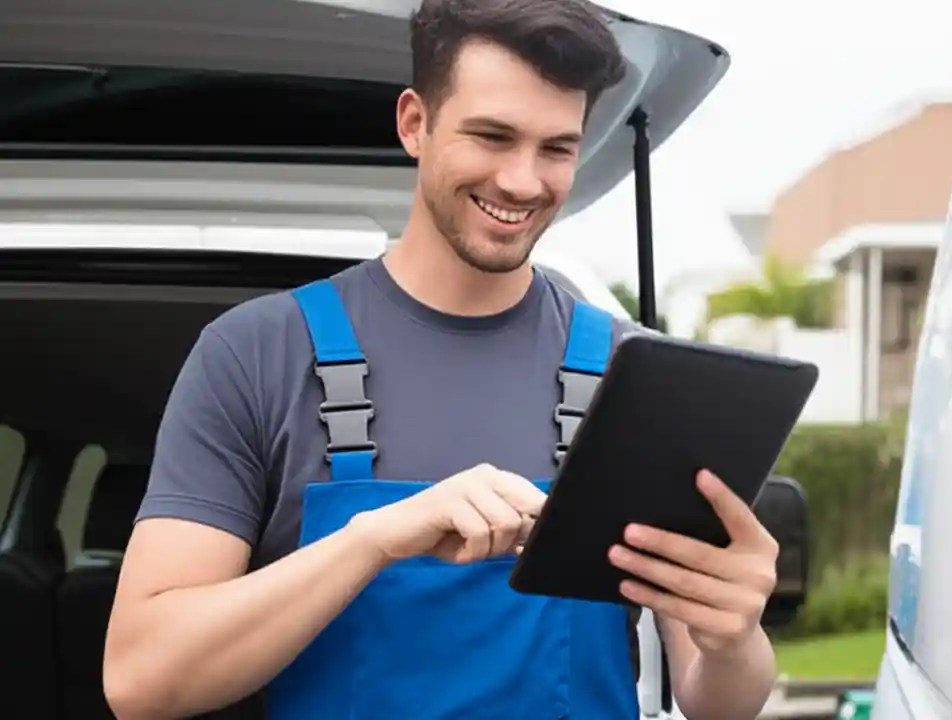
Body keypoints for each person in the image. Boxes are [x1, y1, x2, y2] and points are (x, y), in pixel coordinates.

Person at [101, 0, 781, 718]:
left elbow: (716, 701)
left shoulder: (636, 376)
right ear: (414, 123)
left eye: (556, 147)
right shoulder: (254, 356)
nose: (523, 181)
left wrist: (735, 639)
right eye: (492, 136)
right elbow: (143, 680)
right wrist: (372, 542)